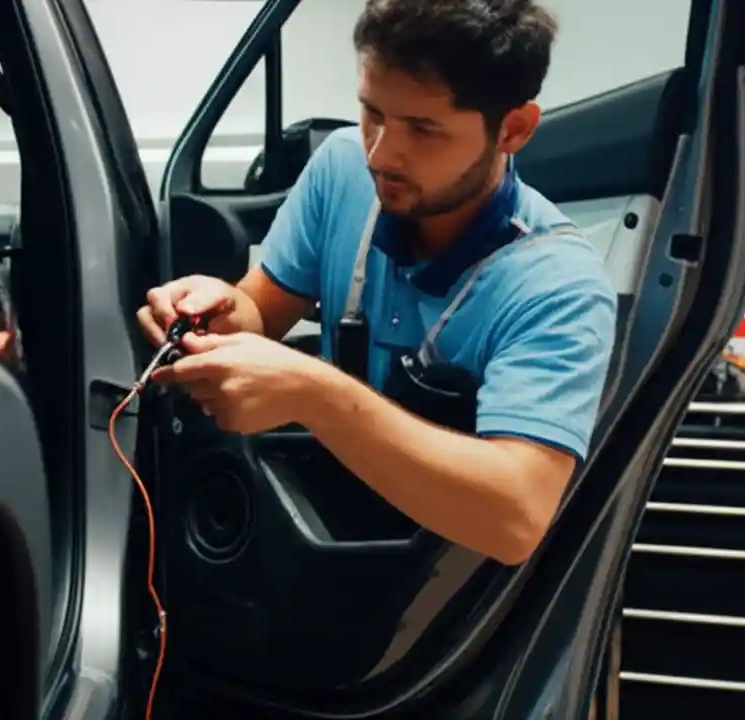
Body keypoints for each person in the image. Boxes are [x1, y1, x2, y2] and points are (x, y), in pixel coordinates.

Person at [139, 0, 616, 566]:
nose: (382, 153)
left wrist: (316, 395)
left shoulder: (557, 287)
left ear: (513, 128)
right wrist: (217, 309)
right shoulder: (342, 168)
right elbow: (261, 310)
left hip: (456, 596)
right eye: (372, 114)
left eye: (423, 129)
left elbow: (515, 518)